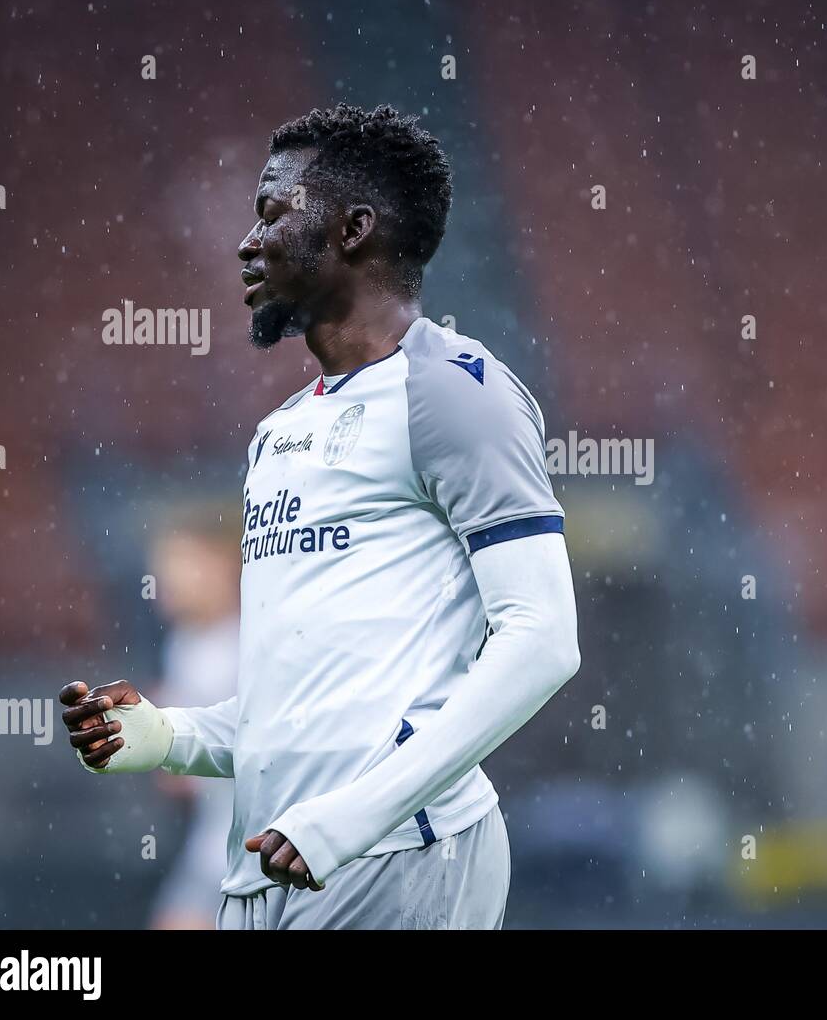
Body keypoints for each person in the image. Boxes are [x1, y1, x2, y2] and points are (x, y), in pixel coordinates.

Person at [60, 104, 580, 930]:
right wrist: (166, 736)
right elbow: (298, 711)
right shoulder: (280, 433)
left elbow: (543, 639)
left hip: (400, 855)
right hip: (268, 867)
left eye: (272, 211)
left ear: (353, 228)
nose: (247, 240)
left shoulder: (453, 389)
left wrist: (353, 816)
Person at [144, 507, 240, 930]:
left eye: (182, 565)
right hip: (212, 844)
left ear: (223, 564)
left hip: (261, 844)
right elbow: (176, 773)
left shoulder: (251, 641)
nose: (168, 582)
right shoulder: (183, 645)